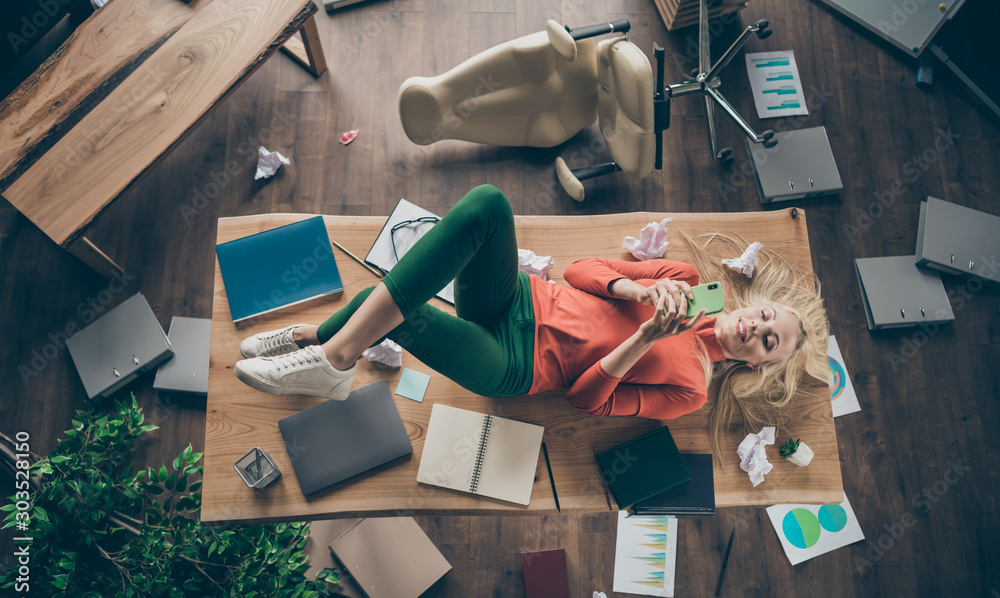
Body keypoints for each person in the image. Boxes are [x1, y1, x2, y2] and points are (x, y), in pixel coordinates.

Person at [234, 185, 829, 446]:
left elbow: (586, 401)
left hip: (514, 366)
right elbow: (577, 273)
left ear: (756, 364)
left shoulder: (691, 388)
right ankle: (324, 345)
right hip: (517, 299)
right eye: (767, 318)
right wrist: (638, 291)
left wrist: (648, 336)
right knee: (490, 203)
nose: (757, 331)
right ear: (754, 303)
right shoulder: (688, 283)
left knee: (395, 311)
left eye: (769, 343)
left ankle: (326, 347)